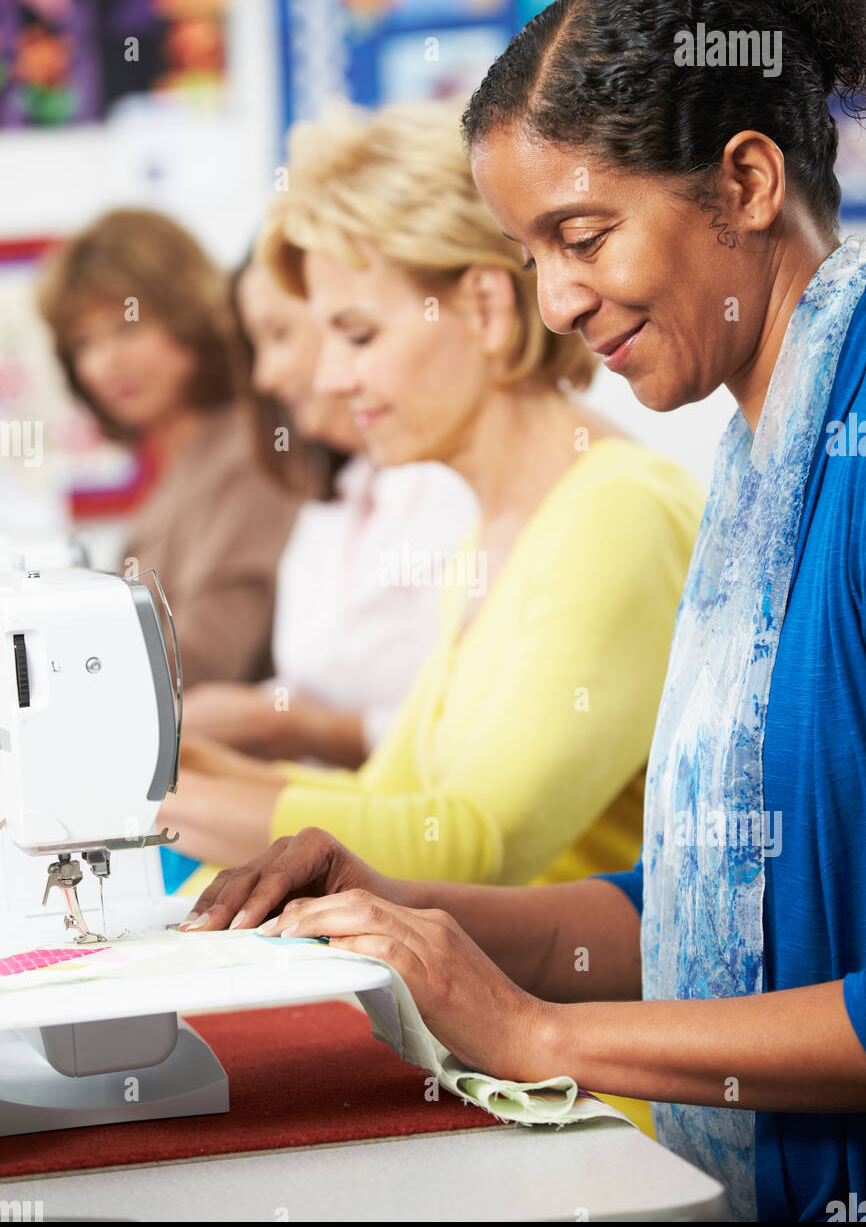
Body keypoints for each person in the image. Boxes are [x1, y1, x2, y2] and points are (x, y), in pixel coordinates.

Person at [181, 0, 866, 1222]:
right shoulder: (764, 459)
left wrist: (538, 1035)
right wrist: (405, 906)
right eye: (531, 249)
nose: (552, 296)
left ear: (748, 181)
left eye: (581, 234)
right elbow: (717, 900)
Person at [168, 98, 702, 896]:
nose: (328, 378)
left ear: (485, 308)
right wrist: (177, 760)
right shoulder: (495, 529)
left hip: (576, 1009)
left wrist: (157, 799)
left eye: (359, 335)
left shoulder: (617, 514)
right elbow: (394, 803)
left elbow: (473, 848)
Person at [181, 252, 479, 765]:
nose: (264, 378)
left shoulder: (459, 492)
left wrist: (301, 729)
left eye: (279, 335)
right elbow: (305, 683)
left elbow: (479, 739)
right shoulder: (335, 498)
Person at [37, 208, 298, 686]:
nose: (104, 363)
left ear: (189, 317)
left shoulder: (248, 450)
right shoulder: (174, 461)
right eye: (82, 344)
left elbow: (209, 654)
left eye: (127, 328)